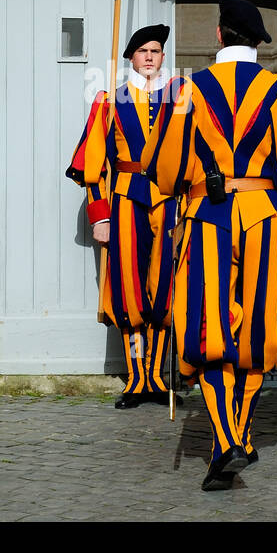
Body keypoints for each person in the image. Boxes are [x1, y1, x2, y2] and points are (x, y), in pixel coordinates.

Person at [142, 0, 277, 491]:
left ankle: (227, 439)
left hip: (208, 218)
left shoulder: (186, 89)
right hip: (267, 218)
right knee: (255, 335)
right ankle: (235, 438)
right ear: (257, 42)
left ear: (219, 35)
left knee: (208, 332)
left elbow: (163, 169)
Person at [66, 25, 177, 408]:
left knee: (163, 289)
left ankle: (159, 376)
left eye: (156, 51)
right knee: (129, 290)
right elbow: (91, 167)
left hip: (168, 203)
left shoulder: (179, 101)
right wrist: (100, 216)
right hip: (126, 201)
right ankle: (137, 379)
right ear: (131, 56)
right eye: (143, 50)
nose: (150, 56)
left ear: (163, 58)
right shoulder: (109, 102)